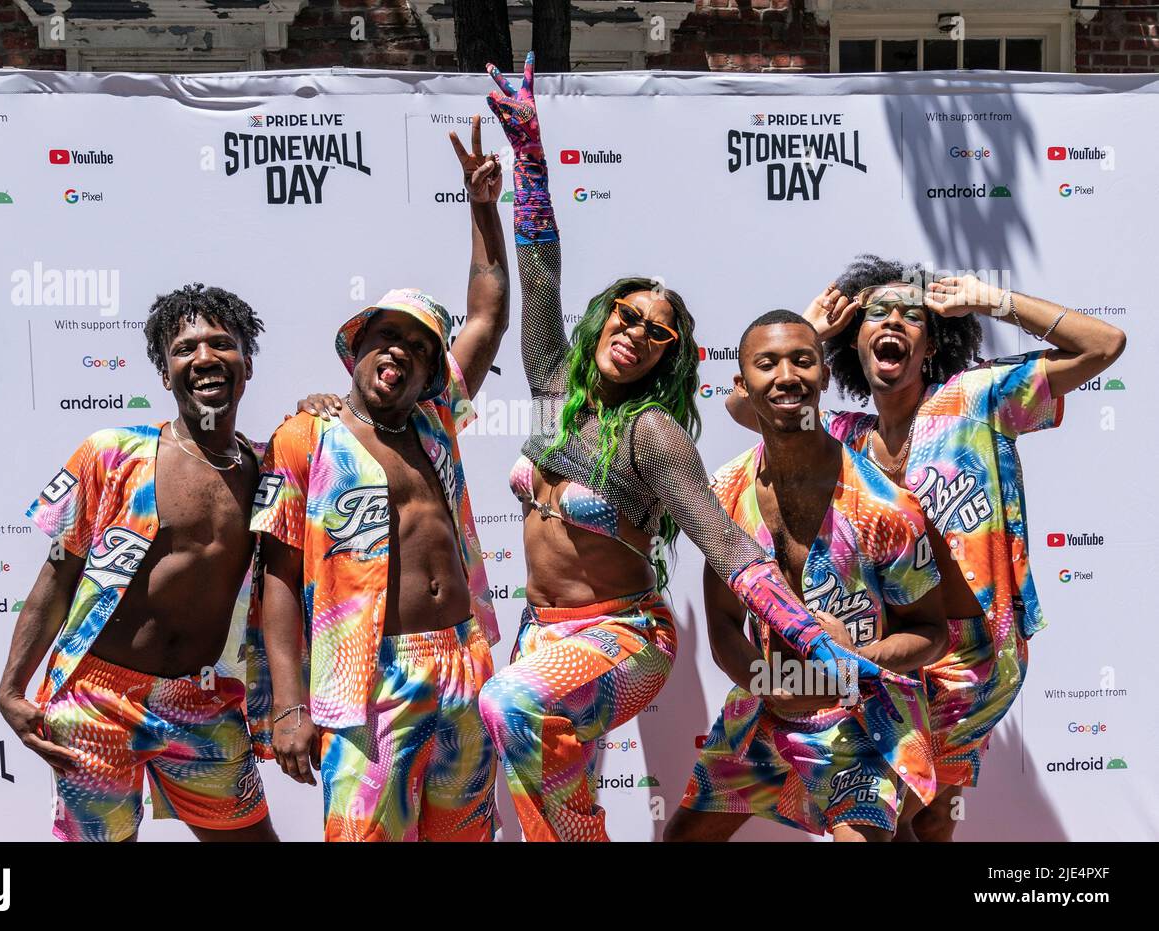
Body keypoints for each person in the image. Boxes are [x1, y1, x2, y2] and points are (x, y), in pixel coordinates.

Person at [470, 53, 919, 843]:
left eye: (659, 332)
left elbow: (727, 544)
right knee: (542, 793)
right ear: (604, 317)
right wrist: (529, 156)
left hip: (623, 638)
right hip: (541, 632)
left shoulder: (652, 432)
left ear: (668, 358)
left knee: (509, 704)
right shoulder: (547, 383)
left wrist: (812, 638)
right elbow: (539, 277)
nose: (638, 332)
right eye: (629, 316)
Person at [725, 258, 1126, 840]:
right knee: (935, 813)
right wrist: (808, 331)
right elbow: (745, 407)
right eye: (876, 314)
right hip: (893, 646)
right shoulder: (839, 435)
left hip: (975, 655)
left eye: (911, 315)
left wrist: (991, 300)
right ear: (853, 345)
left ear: (931, 343)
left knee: (888, 813)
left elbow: (1104, 344)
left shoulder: (976, 398)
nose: (893, 322)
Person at [250, 121, 510, 841]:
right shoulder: (305, 437)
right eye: (387, 336)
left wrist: (482, 206)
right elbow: (278, 574)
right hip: (368, 677)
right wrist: (290, 704)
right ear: (357, 349)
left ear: (432, 374)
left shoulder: (436, 424)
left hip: (464, 659)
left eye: (421, 348)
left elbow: (487, 314)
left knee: (463, 832)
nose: (402, 352)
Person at [0, 284, 276, 842]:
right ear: (164, 371)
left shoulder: (270, 475)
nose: (203, 358)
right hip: (97, 700)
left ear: (247, 360)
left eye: (221, 343)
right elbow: (56, 577)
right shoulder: (111, 453)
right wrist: (11, 688)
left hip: (202, 699)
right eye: (183, 348)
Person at [666, 310, 948, 842]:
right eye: (766, 363)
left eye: (802, 360)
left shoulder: (884, 506)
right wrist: (770, 685)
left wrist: (859, 660)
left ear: (823, 373)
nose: (787, 375)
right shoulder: (724, 493)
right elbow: (724, 623)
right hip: (763, 708)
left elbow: (931, 631)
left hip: (862, 717)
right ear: (741, 384)